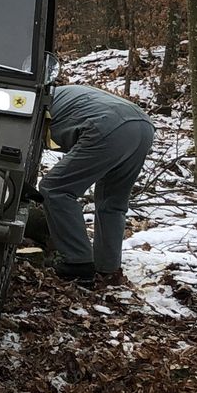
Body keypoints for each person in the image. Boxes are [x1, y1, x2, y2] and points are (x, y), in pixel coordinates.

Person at [39, 84, 155, 284]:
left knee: (55, 189)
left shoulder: (34, 103)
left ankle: (77, 263)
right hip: (143, 125)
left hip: (107, 124)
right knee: (113, 203)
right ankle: (107, 267)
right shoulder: (60, 95)